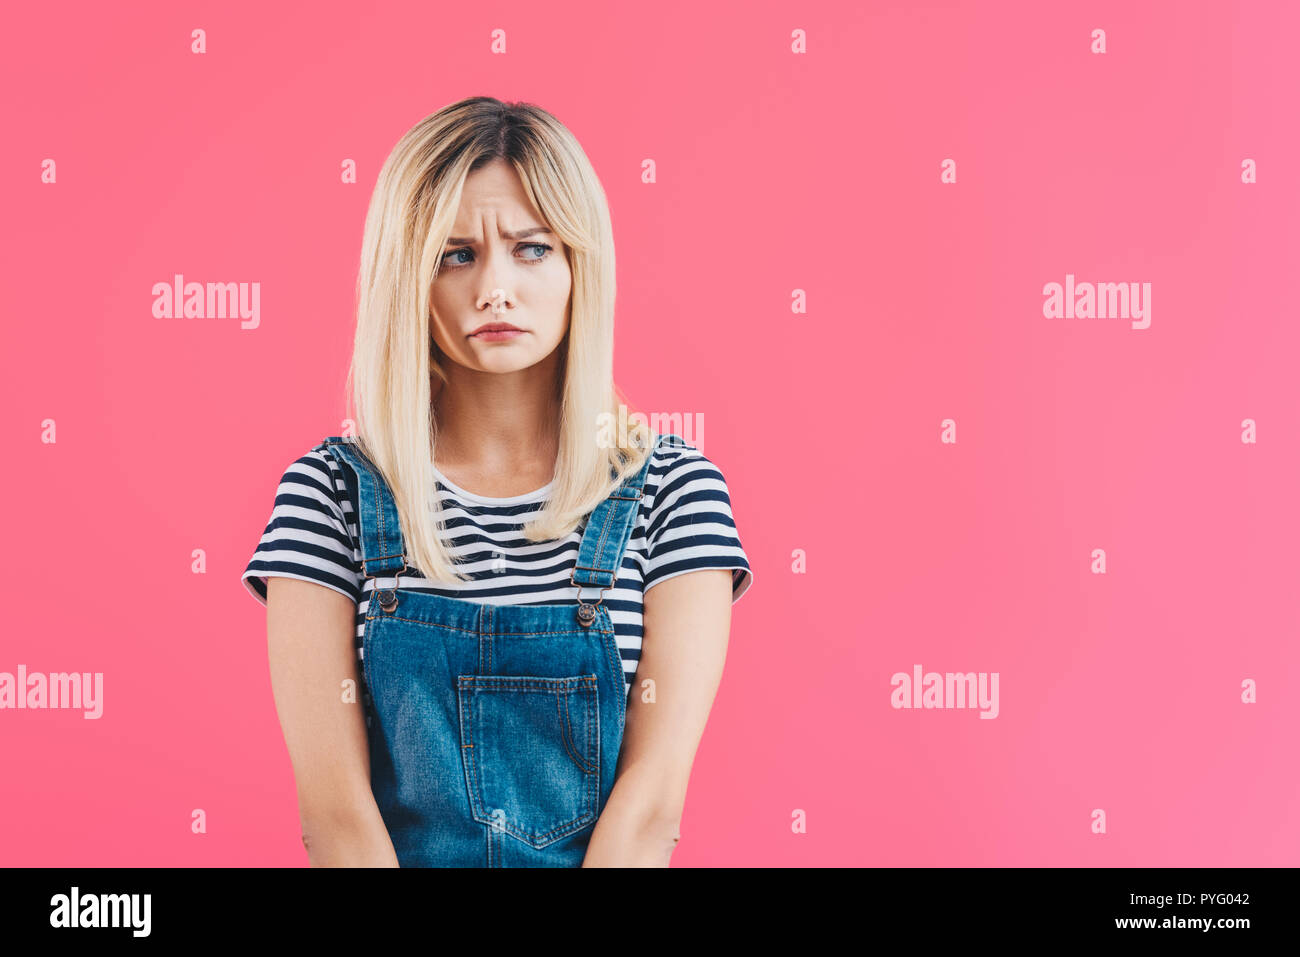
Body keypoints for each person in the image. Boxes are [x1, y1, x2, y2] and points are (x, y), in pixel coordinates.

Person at [241, 96, 753, 867]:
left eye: (531, 248)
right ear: (407, 276)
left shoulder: (675, 492)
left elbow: (650, 807)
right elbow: (336, 818)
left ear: (582, 263)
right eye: (456, 254)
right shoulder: (330, 495)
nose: (494, 288)